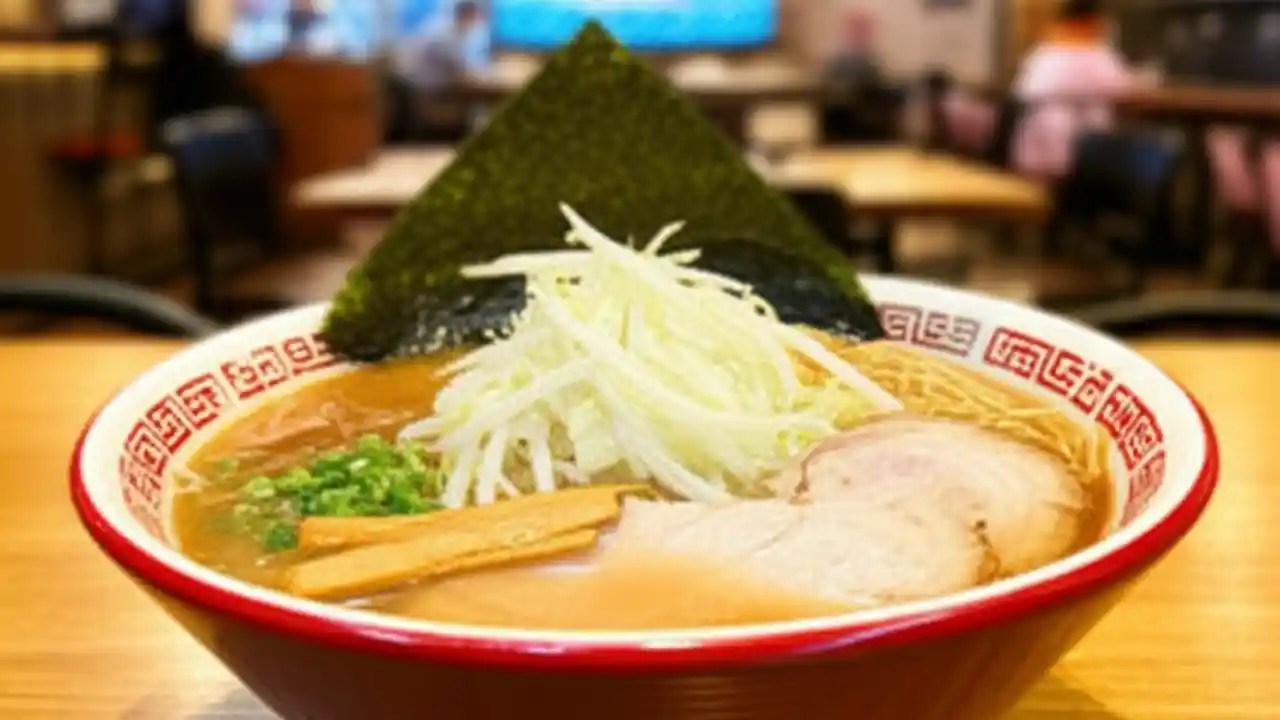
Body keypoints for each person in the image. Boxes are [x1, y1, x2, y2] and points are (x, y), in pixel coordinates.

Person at [1011, 0, 1134, 180]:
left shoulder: (1043, 53)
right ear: (1095, 20)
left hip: (1032, 157)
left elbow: (1020, 91)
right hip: (1082, 162)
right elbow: (1124, 91)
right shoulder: (1099, 55)